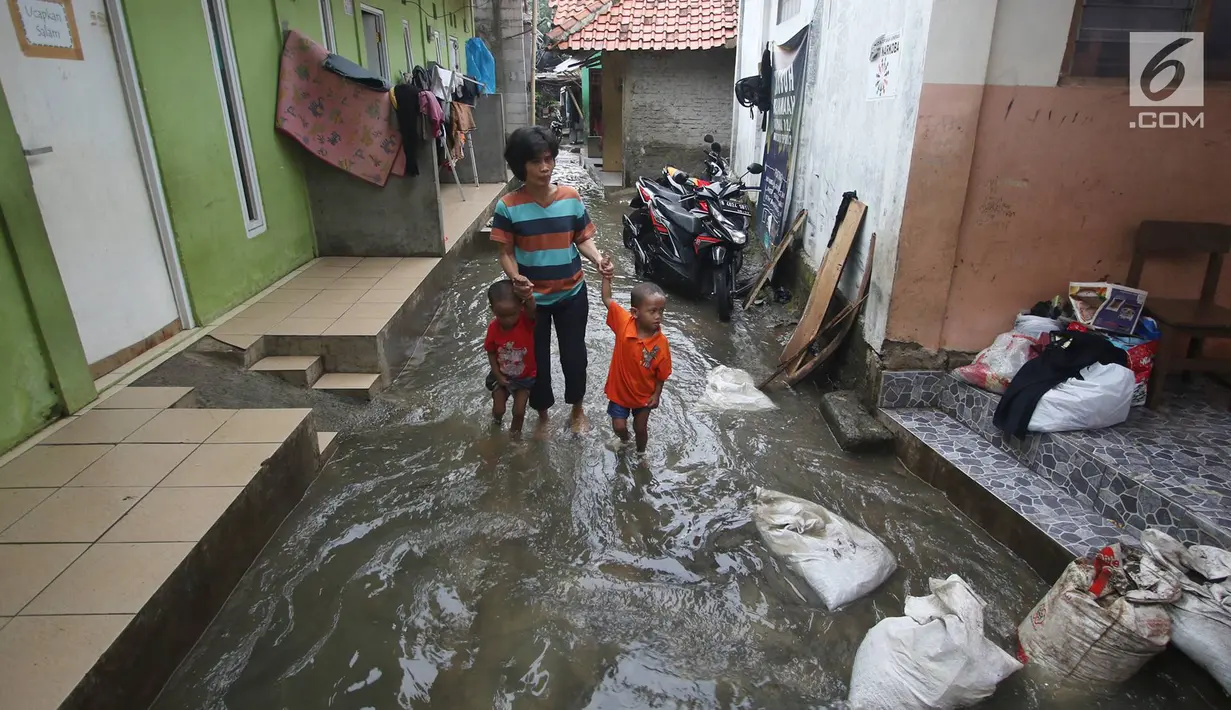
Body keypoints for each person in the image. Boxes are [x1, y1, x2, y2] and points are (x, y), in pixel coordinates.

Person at [491, 125, 614, 431]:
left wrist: (598, 260)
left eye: (549, 159)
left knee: (575, 357)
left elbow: (582, 238)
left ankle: (577, 410)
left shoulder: (571, 197)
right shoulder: (507, 206)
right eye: (536, 161)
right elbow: (505, 252)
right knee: (536, 361)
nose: (545, 168)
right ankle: (542, 415)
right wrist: (516, 278)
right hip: (531, 302)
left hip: (572, 294)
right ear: (521, 166)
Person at [599, 257, 672, 453]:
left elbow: (662, 374)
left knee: (640, 428)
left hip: (644, 395)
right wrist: (606, 277)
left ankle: (641, 453)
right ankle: (625, 440)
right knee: (618, 426)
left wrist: (656, 395)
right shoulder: (624, 323)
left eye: (661, 311)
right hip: (620, 392)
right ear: (635, 312)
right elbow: (607, 299)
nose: (658, 316)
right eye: (652, 311)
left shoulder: (661, 343)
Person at [483, 280, 536, 433]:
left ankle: (514, 438)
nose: (508, 320)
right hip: (502, 375)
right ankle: (495, 427)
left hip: (525, 377)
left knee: (518, 412)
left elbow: (533, 310)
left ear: (521, 307)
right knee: (498, 409)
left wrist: (528, 296)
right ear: (493, 310)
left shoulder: (526, 322)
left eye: (512, 314)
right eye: (501, 316)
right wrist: (498, 375)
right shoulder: (493, 328)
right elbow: (491, 352)